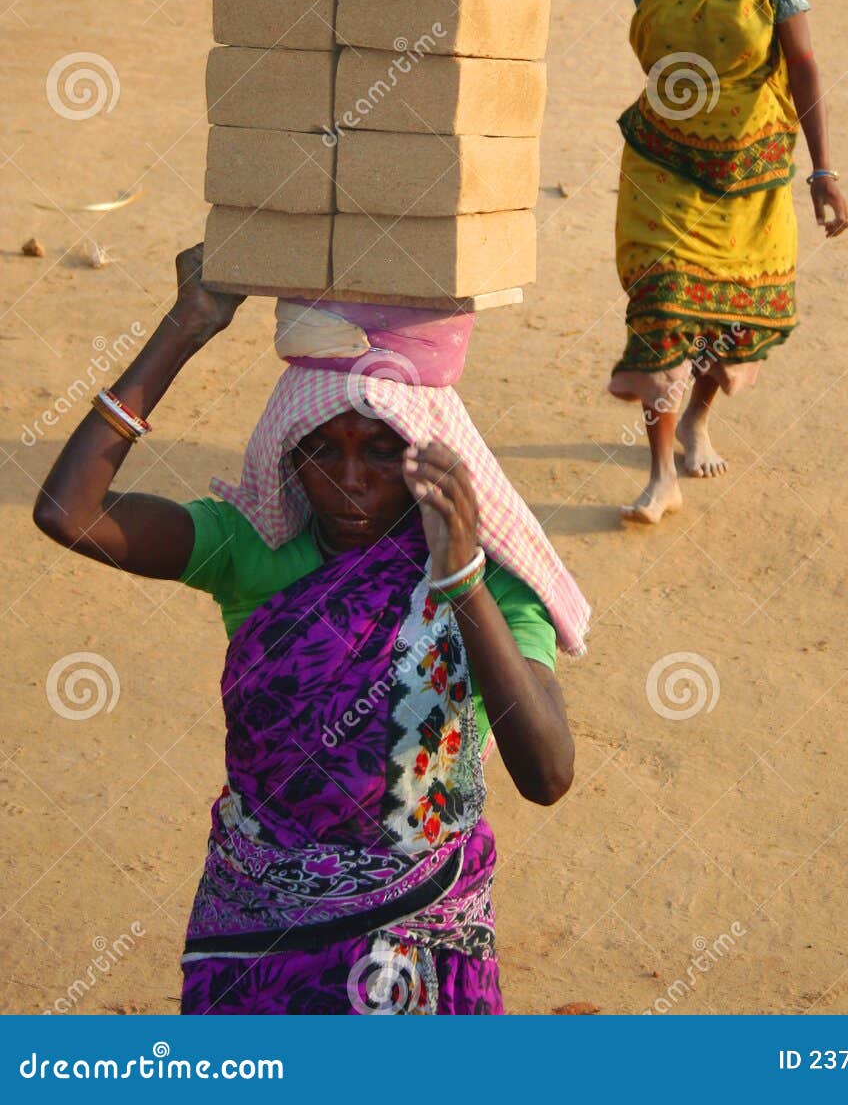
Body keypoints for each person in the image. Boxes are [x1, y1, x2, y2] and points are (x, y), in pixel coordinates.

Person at [34, 247, 590, 1015]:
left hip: (418, 930)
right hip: (260, 930)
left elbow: (548, 774)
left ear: (429, 457)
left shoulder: (486, 578)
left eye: (383, 452)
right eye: (319, 451)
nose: (350, 480)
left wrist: (460, 580)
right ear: (286, 458)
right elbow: (72, 514)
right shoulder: (251, 549)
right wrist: (184, 326)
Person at [575, 0, 848, 524]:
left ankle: (697, 419)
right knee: (664, 310)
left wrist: (823, 172)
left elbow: (803, 67)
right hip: (662, 165)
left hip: (748, 174)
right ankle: (659, 472)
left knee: (728, 325)